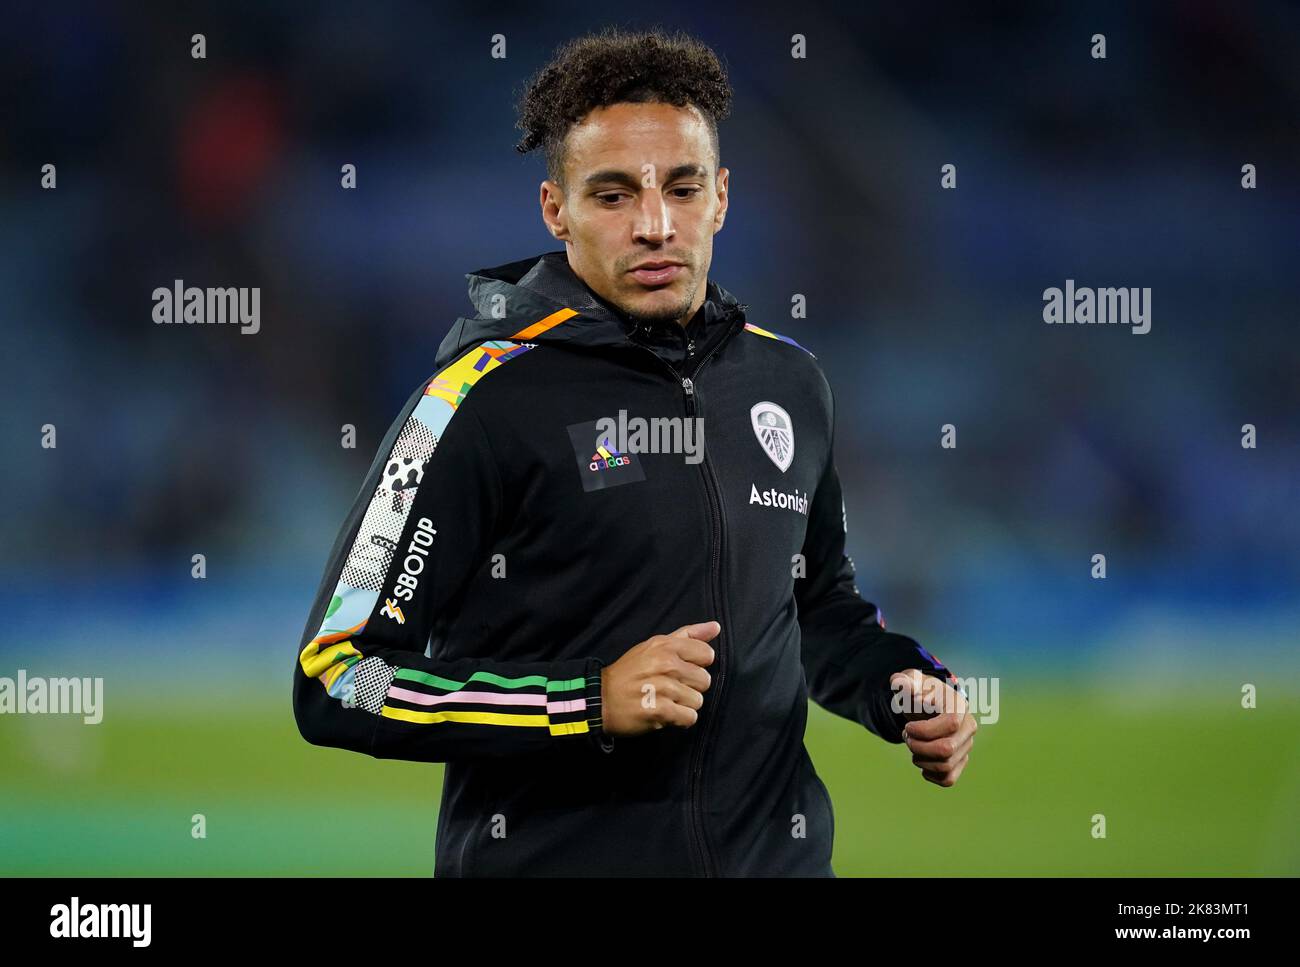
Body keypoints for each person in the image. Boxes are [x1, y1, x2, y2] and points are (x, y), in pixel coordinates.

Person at [293, 26, 975, 877]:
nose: (655, 224)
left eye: (682, 189)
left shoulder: (791, 383)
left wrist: (896, 684)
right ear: (557, 210)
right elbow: (336, 675)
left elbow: (813, 609)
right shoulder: (472, 400)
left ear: (721, 197)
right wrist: (583, 702)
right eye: (612, 196)